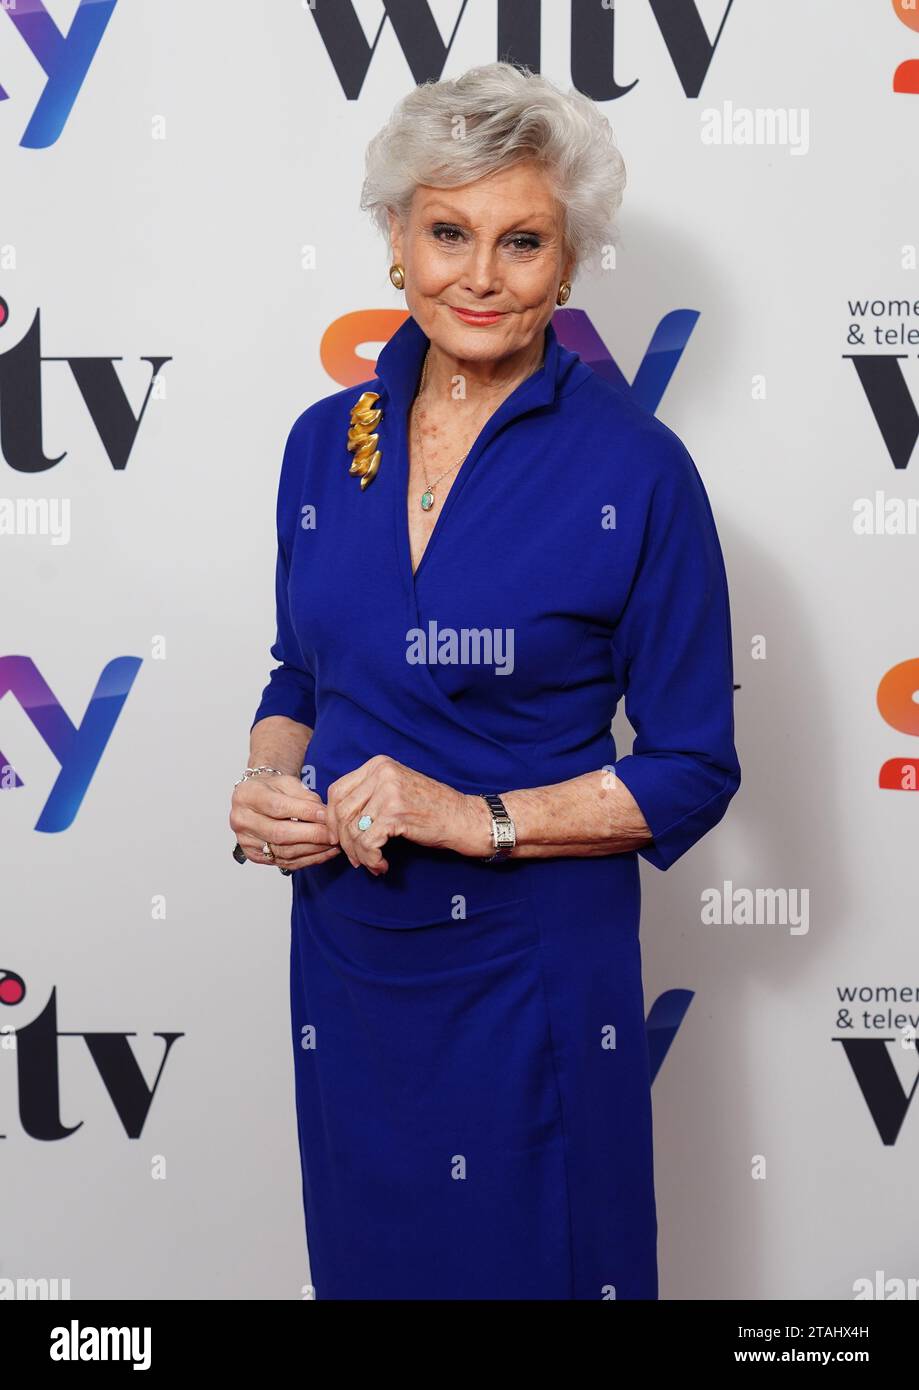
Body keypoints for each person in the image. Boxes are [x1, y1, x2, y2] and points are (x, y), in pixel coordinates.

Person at [230, 61, 741, 1300]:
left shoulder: (640, 469)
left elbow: (690, 767)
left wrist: (472, 818)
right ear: (394, 241)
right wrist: (264, 783)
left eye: (522, 241)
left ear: (567, 267)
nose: (479, 272)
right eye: (447, 231)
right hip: (351, 964)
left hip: (530, 974)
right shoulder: (322, 439)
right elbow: (303, 666)